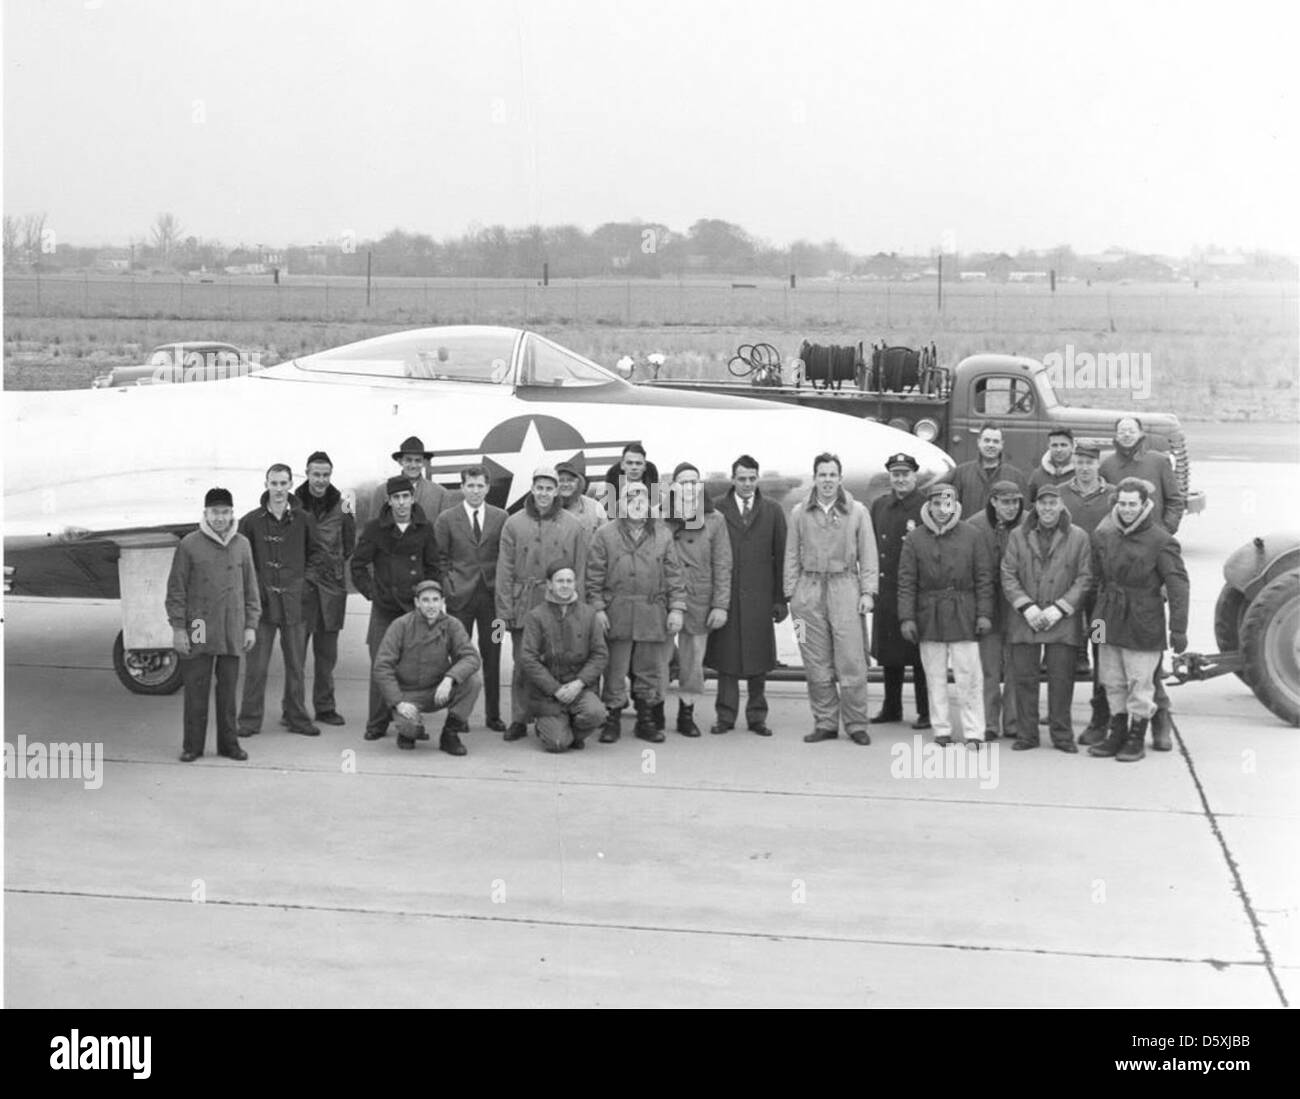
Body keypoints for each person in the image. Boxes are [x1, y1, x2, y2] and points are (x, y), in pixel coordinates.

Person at [1088, 478, 1190, 762]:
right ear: (1115, 503)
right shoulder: (1105, 534)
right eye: (1122, 503)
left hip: (1143, 619)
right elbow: (1094, 579)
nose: (1127, 509)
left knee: (1139, 681)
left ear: (1145, 505)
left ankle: (1136, 737)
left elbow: (1179, 585)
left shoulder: (1162, 541)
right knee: (1110, 678)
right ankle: (1116, 732)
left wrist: (1178, 629)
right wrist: (1093, 627)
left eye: (1133, 504)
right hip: (1106, 616)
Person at [786, 453, 878, 746]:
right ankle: (825, 722)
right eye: (822, 474)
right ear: (815, 478)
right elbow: (791, 555)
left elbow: (869, 554)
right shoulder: (800, 512)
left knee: (852, 660)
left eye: (832, 474)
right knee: (815, 661)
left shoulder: (858, 511)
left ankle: (855, 723)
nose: (827, 480)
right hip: (808, 592)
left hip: (845, 588)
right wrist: (792, 595)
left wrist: (867, 592)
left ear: (840, 478)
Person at [166, 487, 260, 762]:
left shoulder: (242, 544)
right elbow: (176, 589)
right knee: (196, 687)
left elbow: (251, 588)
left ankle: (229, 744)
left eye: (225, 512)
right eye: (215, 512)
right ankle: (192, 746)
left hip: (232, 625)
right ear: (205, 514)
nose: (220, 518)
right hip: (199, 625)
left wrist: (250, 625)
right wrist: (178, 628)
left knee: (229, 691)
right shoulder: (189, 544)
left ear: (233, 513)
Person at [588, 480, 686, 742]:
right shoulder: (605, 534)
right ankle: (612, 719)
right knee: (614, 669)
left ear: (649, 504)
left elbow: (674, 575)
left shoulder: (662, 534)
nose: (637, 504)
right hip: (616, 612)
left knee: (650, 669)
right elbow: (593, 576)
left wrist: (676, 608)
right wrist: (598, 608)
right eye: (631, 499)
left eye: (642, 499)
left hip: (652, 613)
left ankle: (645, 720)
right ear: (622, 503)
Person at [496, 467, 588, 742]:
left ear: (557, 491)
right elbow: (504, 570)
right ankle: (519, 718)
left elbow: (580, 568)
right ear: (532, 489)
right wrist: (504, 612)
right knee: (524, 663)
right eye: (540, 488)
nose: (544, 493)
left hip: (560, 603)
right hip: (524, 603)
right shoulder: (513, 523)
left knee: (559, 661)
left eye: (550, 488)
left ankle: (557, 717)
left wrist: (577, 609)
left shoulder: (573, 525)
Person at [898, 483, 994, 746]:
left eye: (948, 504)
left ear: (956, 505)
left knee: (969, 676)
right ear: (928, 506)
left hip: (963, 611)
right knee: (935, 675)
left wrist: (984, 613)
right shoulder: (916, 538)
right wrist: (906, 617)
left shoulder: (972, 535)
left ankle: (974, 731)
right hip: (929, 614)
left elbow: (984, 577)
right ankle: (941, 728)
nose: (942, 510)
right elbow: (906, 580)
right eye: (937, 504)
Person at [1000, 482, 1092, 752]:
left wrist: (1060, 608)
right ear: (1035, 506)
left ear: (1061, 505)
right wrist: (1026, 606)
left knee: (1062, 680)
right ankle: (1027, 735)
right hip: (1024, 619)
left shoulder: (1078, 537)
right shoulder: (1018, 535)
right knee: (1024, 680)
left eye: (1053, 503)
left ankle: (1062, 735)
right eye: (1043, 503)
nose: (1048, 508)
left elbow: (1085, 578)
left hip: (1062, 621)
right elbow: (1008, 574)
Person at [236, 463, 325, 739]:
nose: (278, 489)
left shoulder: (304, 519)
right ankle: (249, 720)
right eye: (273, 483)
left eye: (283, 483)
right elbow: (241, 561)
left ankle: (297, 716)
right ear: (266, 485)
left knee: (296, 665)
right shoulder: (250, 521)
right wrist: (253, 593)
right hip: (261, 606)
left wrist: (305, 584)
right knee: (256, 667)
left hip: (295, 603)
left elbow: (318, 555)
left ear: (290, 485)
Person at [351, 476, 442, 741]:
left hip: (415, 608)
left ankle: (410, 719)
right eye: (396, 498)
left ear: (413, 498)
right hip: (385, 607)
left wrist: (430, 598)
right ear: (388, 501)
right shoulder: (375, 529)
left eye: (405, 497)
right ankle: (377, 722)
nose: (401, 503)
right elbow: (358, 565)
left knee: (415, 665)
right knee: (381, 663)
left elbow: (434, 566)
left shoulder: (425, 528)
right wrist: (372, 593)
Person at [704, 455, 788, 736]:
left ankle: (757, 717)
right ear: (733, 479)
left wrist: (779, 599)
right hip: (726, 595)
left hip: (760, 597)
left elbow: (781, 558)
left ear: (757, 479)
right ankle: (725, 716)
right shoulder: (717, 509)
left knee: (758, 660)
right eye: (742, 478)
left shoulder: (773, 511)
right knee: (726, 660)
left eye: (752, 478)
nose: (747, 484)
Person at [434, 465, 507, 732]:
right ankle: (458, 715)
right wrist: (448, 586)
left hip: (492, 602)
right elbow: (439, 558)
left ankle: (493, 714)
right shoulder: (447, 518)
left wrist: (502, 590)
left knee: (494, 653)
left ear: (488, 488)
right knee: (459, 656)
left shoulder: (501, 517)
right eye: (470, 485)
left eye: (480, 486)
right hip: (459, 599)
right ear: (462, 487)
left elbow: (506, 558)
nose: (475, 491)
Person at [662, 461, 732, 737]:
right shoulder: (660, 516)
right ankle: (653, 710)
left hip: (700, 597)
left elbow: (723, 563)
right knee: (659, 657)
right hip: (665, 596)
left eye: (694, 482)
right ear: (673, 486)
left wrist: (720, 604)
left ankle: (686, 712)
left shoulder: (715, 519)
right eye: (683, 482)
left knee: (693, 662)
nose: (689, 487)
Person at [372, 580, 481, 754]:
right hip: (408, 693)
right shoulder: (400, 625)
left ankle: (450, 734)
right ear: (417, 602)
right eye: (426, 600)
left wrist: (450, 678)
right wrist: (399, 702)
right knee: (408, 728)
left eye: (435, 600)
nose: (431, 605)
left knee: (473, 681)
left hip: (438, 689)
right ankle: (409, 731)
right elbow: (382, 667)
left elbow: (471, 657)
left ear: (442, 601)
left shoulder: (452, 625)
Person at [1060, 444, 1119, 744]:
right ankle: (1060, 713)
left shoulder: (1114, 496)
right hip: (1069, 590)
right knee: (1066, 649)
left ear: (1098, 465)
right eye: (1079, 461)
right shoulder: (1059, 494)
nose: (1084, 467)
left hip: (1101, 591)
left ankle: (1101, 716)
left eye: (1089, 462)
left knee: (1101, 648)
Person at [869, 452, 931, 730]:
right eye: (896, 474)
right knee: (889, 654)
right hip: (886, 588)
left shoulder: (926, 507)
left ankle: (925, 711)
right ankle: (891, 706)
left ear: (914, 476)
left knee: (920, 657)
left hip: (917, 591)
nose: (901, 479)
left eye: (905, 474)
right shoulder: (880, 506)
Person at [519, 563, 609, 753]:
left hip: (579, 687)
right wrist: (554, 688)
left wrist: (579, 683)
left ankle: (573, 730)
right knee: (557, 744)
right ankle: (551, 727)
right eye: (560, 581)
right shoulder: (536, 616)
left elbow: (600, 654)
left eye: (569, 581)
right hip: (548, 693)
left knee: (596, 713)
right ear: (549, 584)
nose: (565, 585)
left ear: (575, 584)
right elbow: (528, 658)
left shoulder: (589, 614)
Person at [294, 451, 355, 725]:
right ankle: (292, 709)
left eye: (325, 475)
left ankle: (325, 707)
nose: (320, 480)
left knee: (326, 655)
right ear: (306, 473)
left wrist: (332, 567)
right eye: (316, 474)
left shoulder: (342, 506)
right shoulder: (292, 504)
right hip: (301, 589)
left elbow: (349, 543)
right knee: (295, 656)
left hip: (330, 590)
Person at [967, 480, 1026, 741]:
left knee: (1015, 666)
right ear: (993, 501)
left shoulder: (1028, 524)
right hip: (988, 605)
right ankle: (989, 723)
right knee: (988, 668)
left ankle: (1012, 721)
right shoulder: (975, 525)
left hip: (1018, 605)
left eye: (1015, 502)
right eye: (1005, 502)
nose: (1011, 508)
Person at [1099, 417, 1183, 534]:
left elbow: (1174, 501)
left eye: (1132, 431)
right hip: (1117, 539)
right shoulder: (1107, 465)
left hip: (1153, 537)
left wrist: (1166, 529)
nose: (1126, 435)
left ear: (1140, 434)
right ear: (1116, 435)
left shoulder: (1159, 462)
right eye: (1122, 432)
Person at [941, 424, 1029, 520]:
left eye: (995, 441)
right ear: (979, 442)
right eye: (987, 440)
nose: (991, 445)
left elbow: (1024, 513)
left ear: (1002, 444)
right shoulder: (960, 473)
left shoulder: (1016, 477)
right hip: (969, 532)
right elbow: (947, 508)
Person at [369, 435, 457, 521]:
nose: (413, 465)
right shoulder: (382, 491)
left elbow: (445, 530)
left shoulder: (440, 494)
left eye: (418, 460)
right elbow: (373, 528)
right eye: (408, 460)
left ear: (424, 463)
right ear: (400, 461)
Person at [601, 443, 661, 512]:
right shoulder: (608, 494)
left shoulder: (657, 496)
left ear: (645, 467)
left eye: (638, 463)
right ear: (622, 465)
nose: (634, 467)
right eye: (629, 463)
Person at [556, 459, 607, 538]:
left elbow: (607, 539)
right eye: (561, 480)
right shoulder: (543, 508)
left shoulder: (595, 507)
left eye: (570, 480)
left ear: (578, 482)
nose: (565, 484)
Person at [1027, 428, 1076, 500]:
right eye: (1054, 445)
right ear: (1049, 446)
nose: (1059, 450)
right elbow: (1028, 504)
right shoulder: (1037, 475)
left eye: (1063, 445)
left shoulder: (1080, 474)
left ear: (1072, 446)